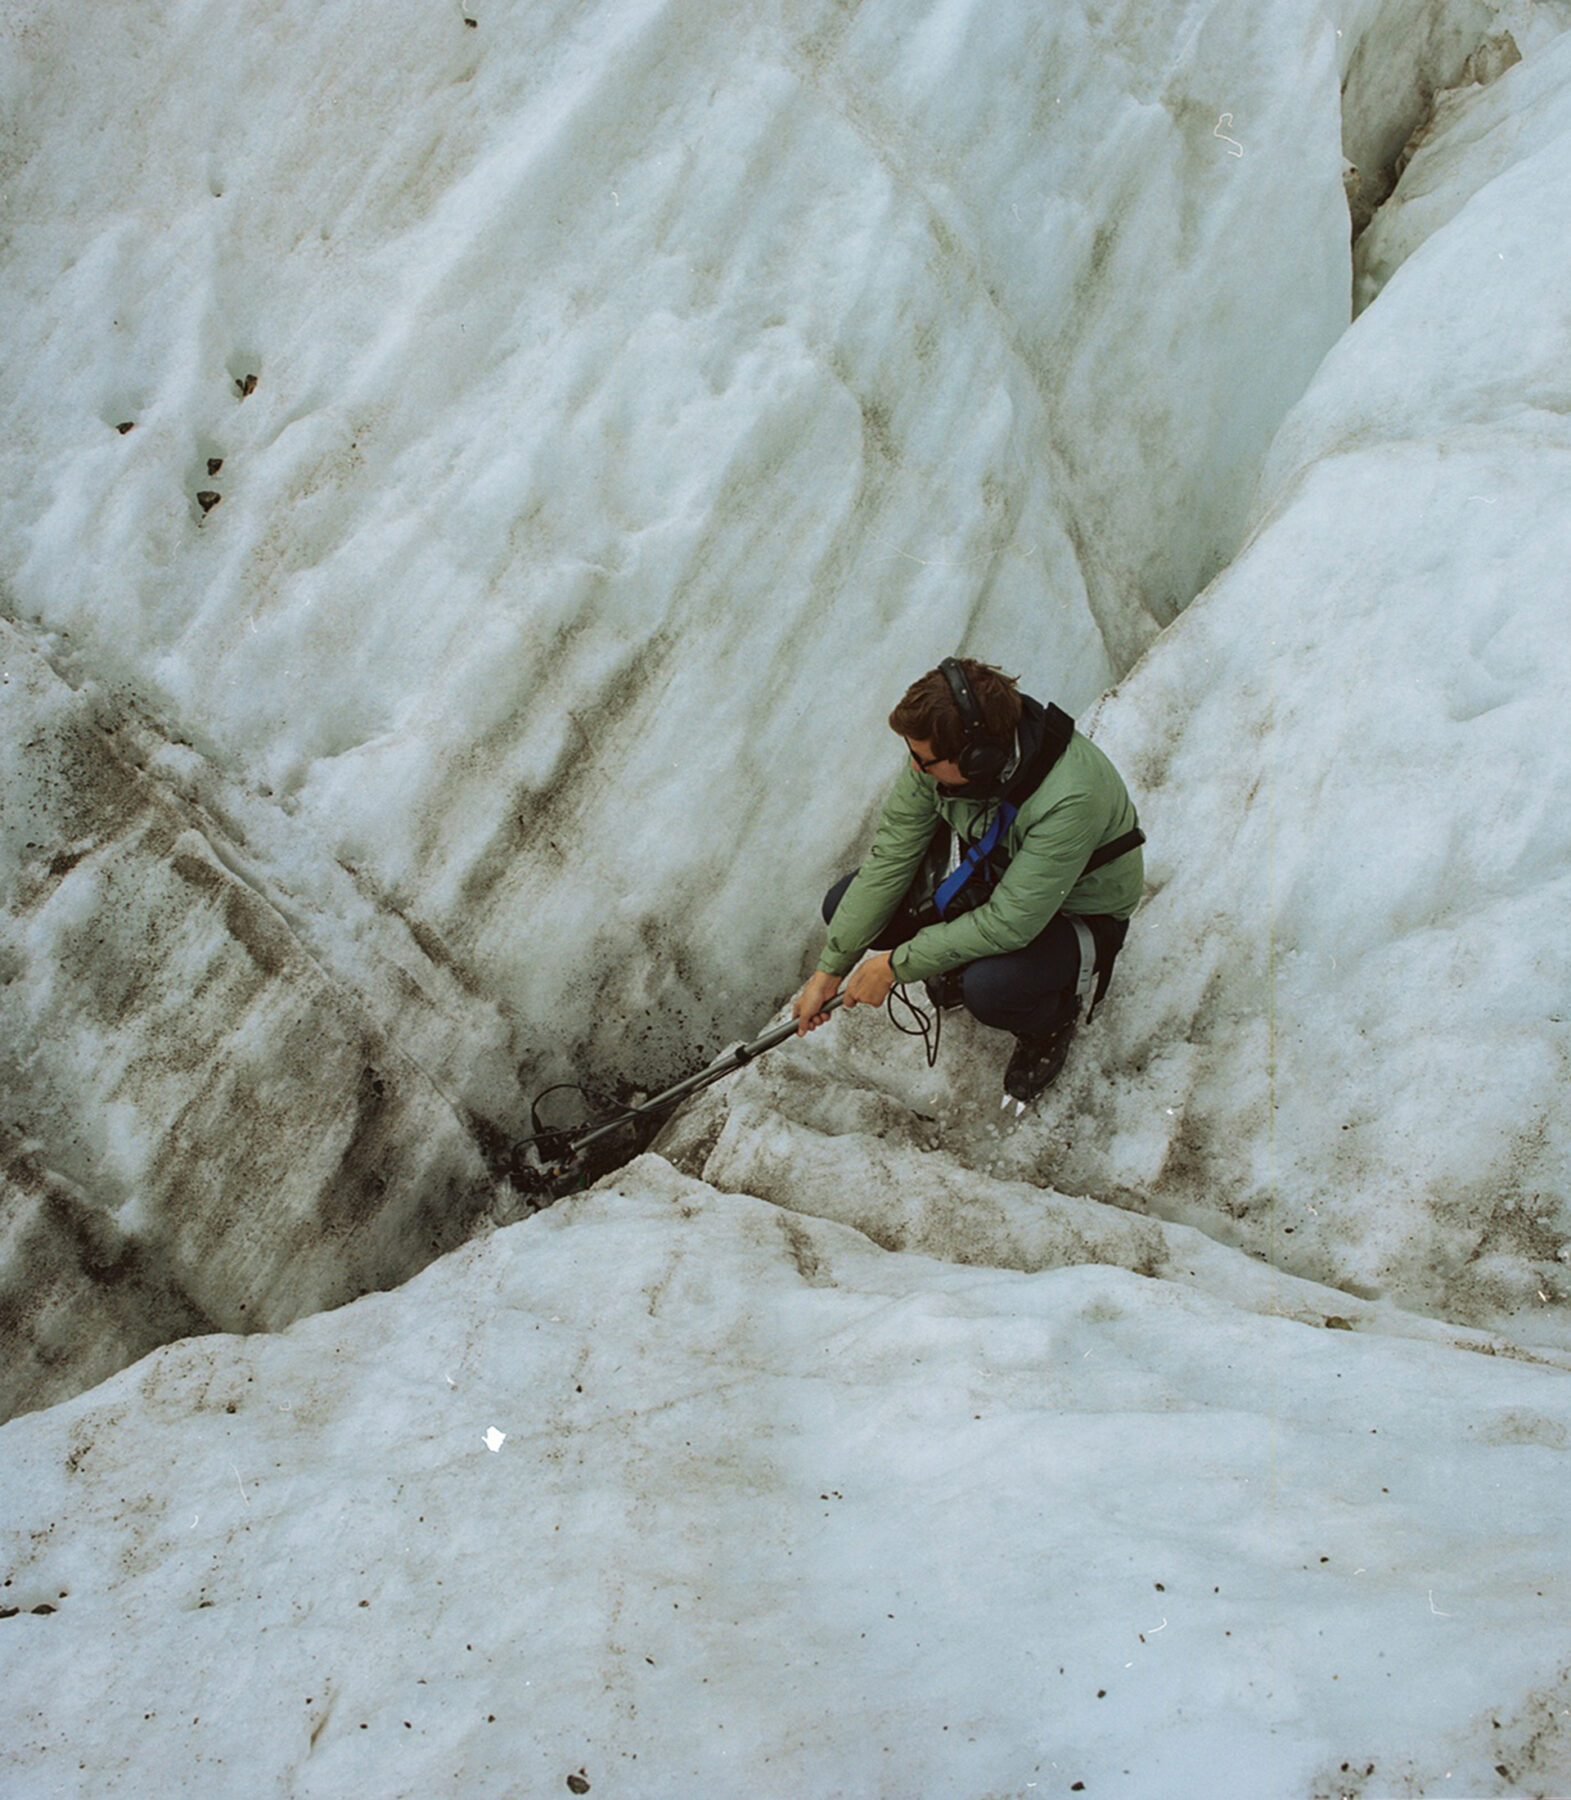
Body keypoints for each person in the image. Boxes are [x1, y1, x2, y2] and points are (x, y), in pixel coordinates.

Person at [792, 657, 1144, 1103]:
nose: (915, 769)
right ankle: (959, 958)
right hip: (999, 877)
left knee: (991, 988)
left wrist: (893, 964)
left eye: (925, 760)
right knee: (843, 905)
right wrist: (831, 970)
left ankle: (1051, 1020)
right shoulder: (935, 762)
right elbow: (891, 859)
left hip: (1074, 911)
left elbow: (1010, 923)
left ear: (979, 759)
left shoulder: (1072, 796)